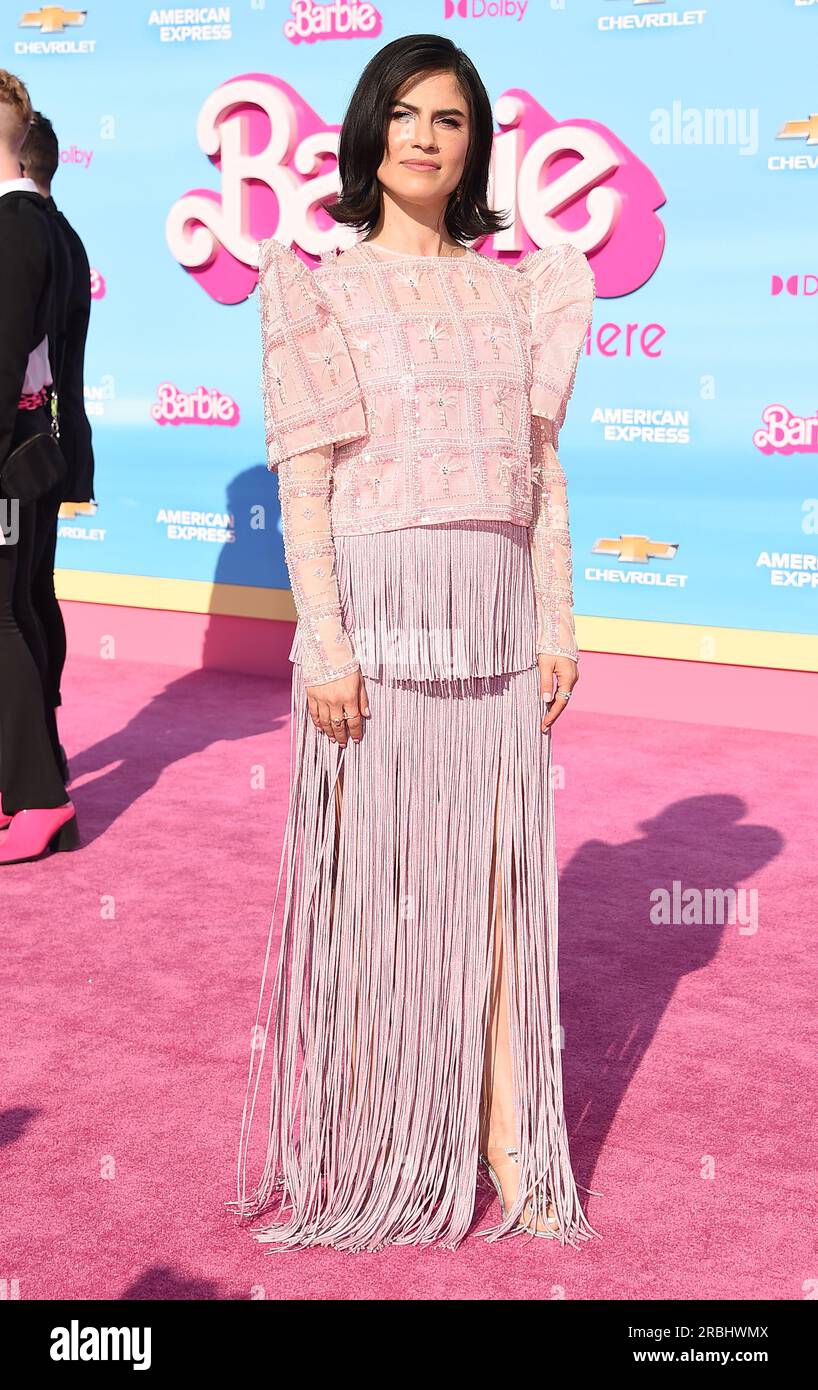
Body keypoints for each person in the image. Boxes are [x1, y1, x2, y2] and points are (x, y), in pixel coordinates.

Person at [229, 34, 599, 1250]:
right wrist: (323, 645)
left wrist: (555, 621)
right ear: (367, 129)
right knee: (382, 895)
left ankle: (509, 1136)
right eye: (405, 113)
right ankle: (393, 1135)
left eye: (449, 118)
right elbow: (304, 484)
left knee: (496, 894)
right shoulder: (318, 286)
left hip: (494, 616)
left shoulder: (519, 289)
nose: (427, 136)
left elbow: (538, 474)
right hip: (377, 623)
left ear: (474, 142)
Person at [0, 69, 77, 863]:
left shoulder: (21, 224)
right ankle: (29, 783)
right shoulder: (36, 220)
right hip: (26, 444)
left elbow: (9, 356)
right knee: (16, 609)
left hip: (11, 453)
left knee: (8, 616)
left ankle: (38, 794)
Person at [20, 111, 96, 782]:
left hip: (33, 441)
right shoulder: (61, 231)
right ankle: (42, 744)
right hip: (52, 439)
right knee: (33, 596)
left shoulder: (32, 233)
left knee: (23, 604)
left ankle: (37, 751)